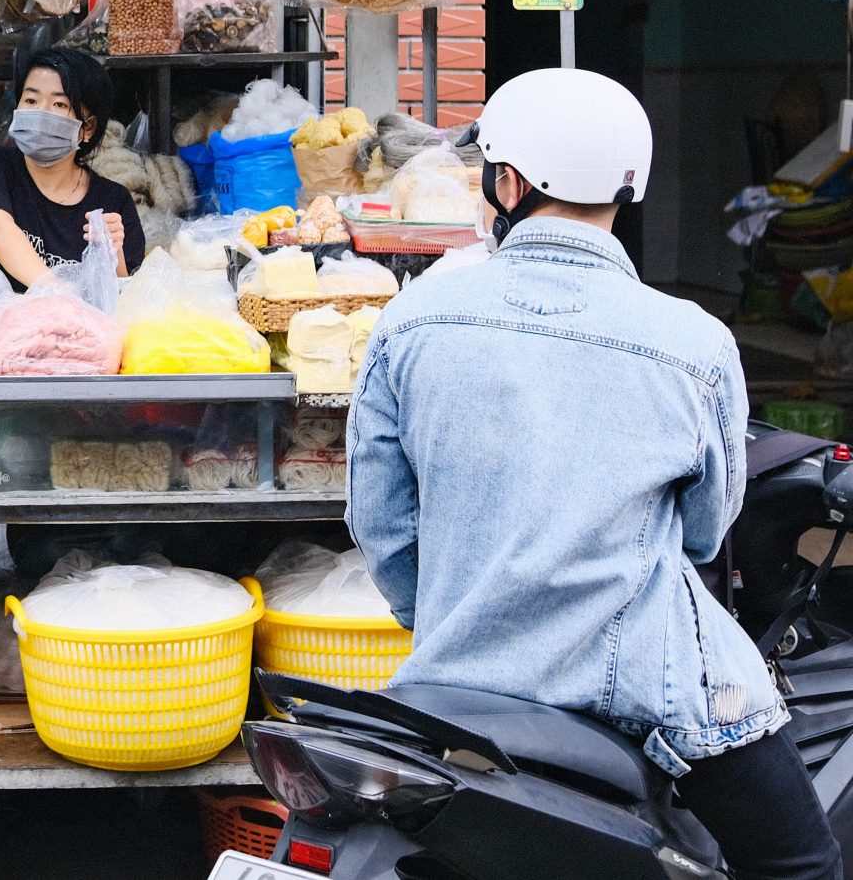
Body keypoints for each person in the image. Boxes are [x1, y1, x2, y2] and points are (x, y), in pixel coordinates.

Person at [348, 68, 841, 880]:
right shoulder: (694, 340)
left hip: (454, 683)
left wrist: (449, 608)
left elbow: (383, 525)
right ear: (628, 188)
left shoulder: (414, 320)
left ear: (505, 183)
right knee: (799, 863)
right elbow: (706, 529)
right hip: (654, 688)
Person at [0, 47, 142, 289]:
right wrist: (62, 299)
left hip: (80, 328)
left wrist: (113, 255)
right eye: (31, 100)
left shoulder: (114, 201)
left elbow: (124, 300)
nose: (41, 112)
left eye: (59, 104)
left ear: (88, 128)